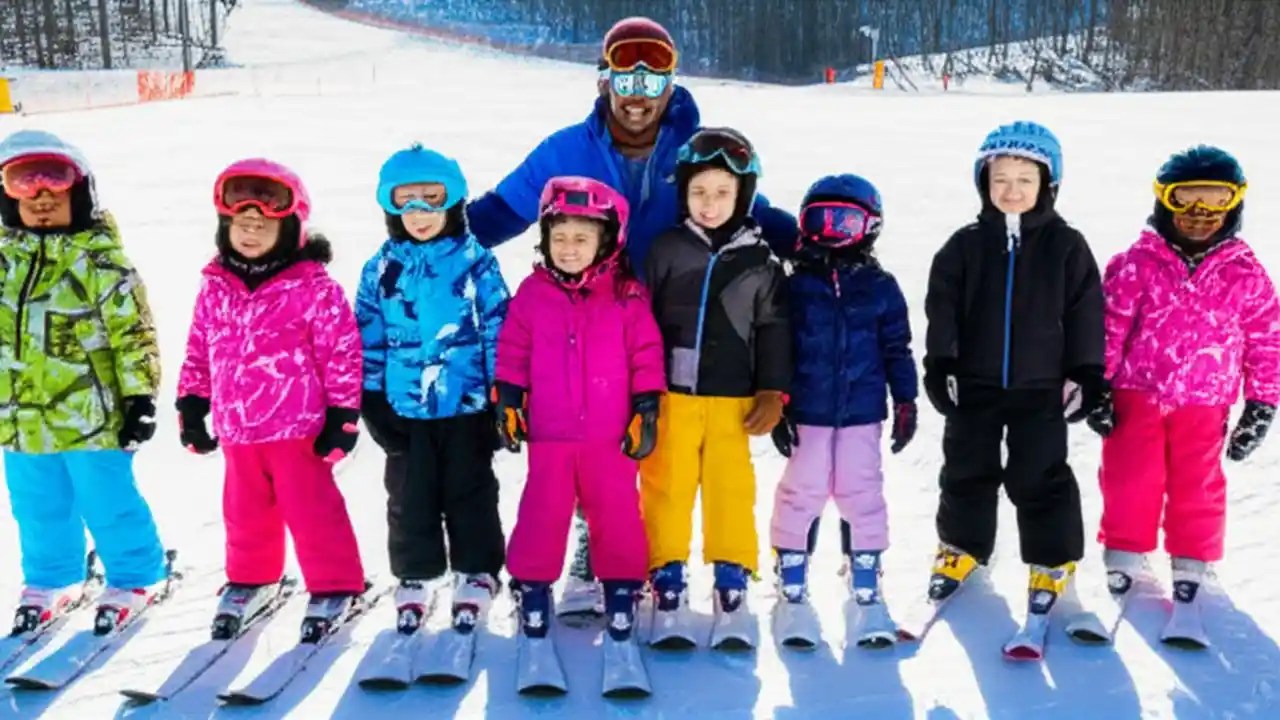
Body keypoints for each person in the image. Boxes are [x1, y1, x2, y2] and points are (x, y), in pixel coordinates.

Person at [467, 16, 798, 616]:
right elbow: (498, 214)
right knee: (585, 426)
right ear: (605, 79)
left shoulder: (693, 147)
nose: (639, 93)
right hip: (592, 317)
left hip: (676, 325)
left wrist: (811, 248)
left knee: (650, 448)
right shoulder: (566, 150)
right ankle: (594, 539)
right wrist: (432, 238)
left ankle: (651, 547)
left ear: (671, 84)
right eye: (627, 76)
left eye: (654, 78)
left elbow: (750, 209)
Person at [921, 121, 1105, 621]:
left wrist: (1087, 372)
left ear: (1048, 184)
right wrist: (941, 364)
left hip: (1040, 388)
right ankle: (961, 548)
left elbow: (1087, 312)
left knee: (1039, 475)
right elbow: (944, 310)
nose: (1012, 190)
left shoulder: (1067, 246)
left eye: (1025, 179)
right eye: (1000, 178)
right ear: (983, 182)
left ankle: (1052, 559)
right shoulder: (964, 246)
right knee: (965, 471)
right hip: (975, 386)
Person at [176, 158, 367, 639]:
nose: (251, 232)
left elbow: (341, 353)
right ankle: (252, 579)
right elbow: (199, 347)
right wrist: (192, 403)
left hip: (298, 427)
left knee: (312, 509)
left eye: (263, 224)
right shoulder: (215, 286)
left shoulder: (313, 288)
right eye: (241, 224)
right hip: (238, 429)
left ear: (292, 227)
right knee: (244, 511)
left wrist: (344, 415)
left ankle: (335, 583)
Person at [1091, 146, 1279, 613]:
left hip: (1205, 402)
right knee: (1131, 477)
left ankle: (1193, 555)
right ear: (1164, 201)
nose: (1200, 214)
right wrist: (1097, 383)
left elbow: (1267, 340)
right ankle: (1125, 547)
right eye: (1187, 199)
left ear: (1234, 204)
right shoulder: (1136, 263)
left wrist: (1262, 403)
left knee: (1198, 482)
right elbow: (1108, 326)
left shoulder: (1246, 274)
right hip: (1136, 394)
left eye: (1216, 200)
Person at [0, 129, 167, 633]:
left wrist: (140, 397)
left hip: (92, 415)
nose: (43, 206)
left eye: (57, 195)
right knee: (37, 505)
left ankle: (137, 575)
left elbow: (134, 331)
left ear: (82, 196)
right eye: (29, 196)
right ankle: (53, 577)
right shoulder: (4, 262)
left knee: (107, 499)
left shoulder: (98, 259)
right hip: (19, 417)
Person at [494, 175, 665, 655]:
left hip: (610, 438)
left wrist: (646, 406)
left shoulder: (627, 297)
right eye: (560, 237)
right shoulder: (532, 292)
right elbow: (513, 347)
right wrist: (508, 396)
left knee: (616, 515)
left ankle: (622, 591)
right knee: (541, 513)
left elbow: (646, 355)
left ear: (606, 242)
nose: (569, 249)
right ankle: (531, 590)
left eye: (582, 238)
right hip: (549, 435)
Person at [641, 127, 790, 647]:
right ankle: (667, 582)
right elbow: (642, 321)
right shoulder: (665, 249)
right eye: (699, 191)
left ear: (743, 196)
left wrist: (773, 391)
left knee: (731, 491)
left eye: (723, 193)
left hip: (734, 402)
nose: (709, 204)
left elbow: (774, 329)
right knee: (666, 488)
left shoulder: (762, 262)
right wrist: (640, 389)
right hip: (671, 399)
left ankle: (732, 586)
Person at [356, 144, 509, 634]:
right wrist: (372, 398)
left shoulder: (476, 263)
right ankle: (416, 576)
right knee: (409, 498)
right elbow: (368, 336)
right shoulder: (380, 269)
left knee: (471, 492)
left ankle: (477, 572)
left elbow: (498, 328)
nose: (419, 213)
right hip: (404, 409)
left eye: (431, 198)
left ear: (455, 202)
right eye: (406, 201)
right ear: (389, 207)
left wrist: (501, 395)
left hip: (466, 407)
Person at [769, 174, 917, 646]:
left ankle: (866, 576)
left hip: (862, 413)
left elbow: (898, 347)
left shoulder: (880, 286)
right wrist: (778, 400)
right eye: (821, 221)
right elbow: (778, 347)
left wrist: (906, 399)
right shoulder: (794, 286)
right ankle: (792, 578)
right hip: (807, 412)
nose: (831, 233)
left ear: (869, 227)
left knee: (862, 492)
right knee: (801, 491)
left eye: (844, 222)